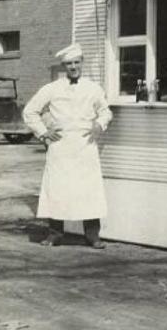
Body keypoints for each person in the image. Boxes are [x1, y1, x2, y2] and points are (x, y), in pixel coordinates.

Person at [23, 43, 113, 248]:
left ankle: (93, 236)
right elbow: (30, 111)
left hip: (85, 145)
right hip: (61, 146)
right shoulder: (52, 88)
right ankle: (55, 234)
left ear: (82, 63)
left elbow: (106, 111)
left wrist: (99, 125)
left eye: (76, 62)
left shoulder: (93, 88)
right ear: (64, 66)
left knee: (88, 189)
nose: (73, 67)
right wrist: (44, 133)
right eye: (69, 64)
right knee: (58, 189)